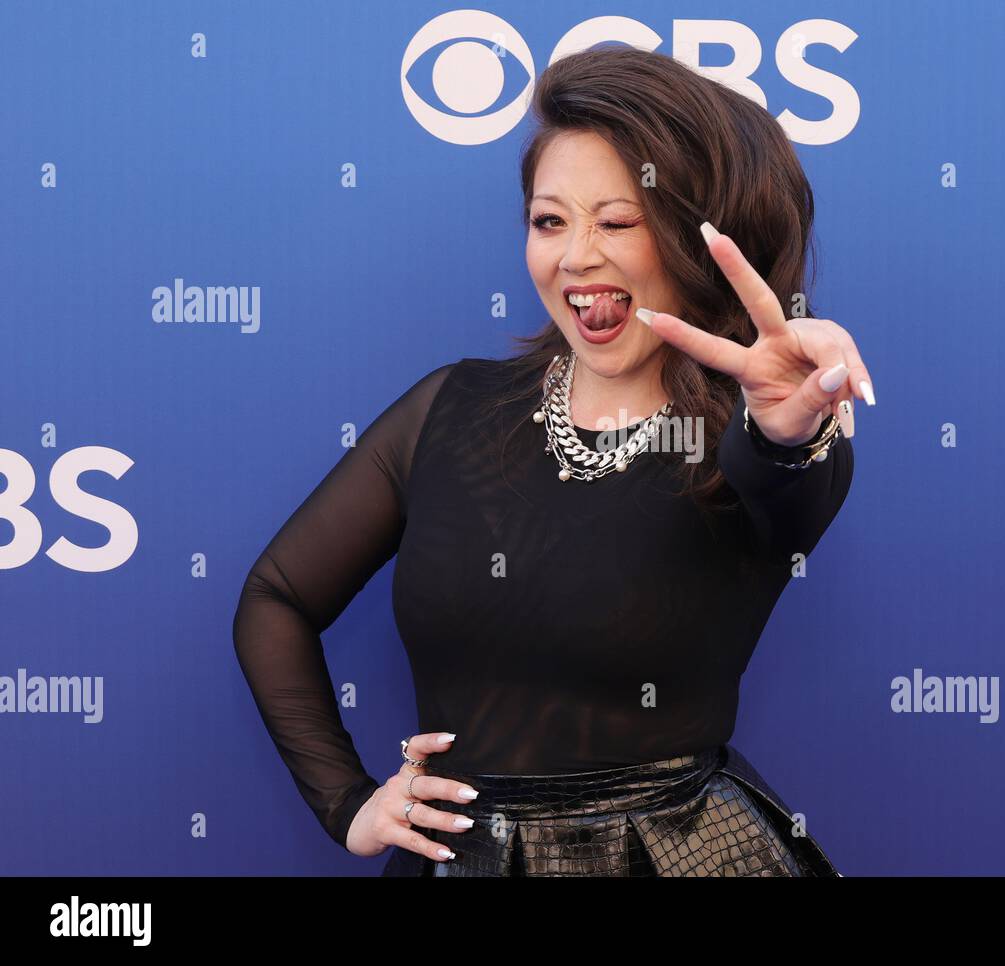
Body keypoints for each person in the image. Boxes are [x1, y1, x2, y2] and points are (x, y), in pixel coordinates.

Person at [232, 44, 876, 877]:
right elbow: (275, 597)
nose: (575, 257)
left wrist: (786, 429)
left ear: (693, 237)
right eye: (549, 221)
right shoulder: (450, 409)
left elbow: (790, 483)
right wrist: (347, 801)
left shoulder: (752, 433)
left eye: (617, 222)